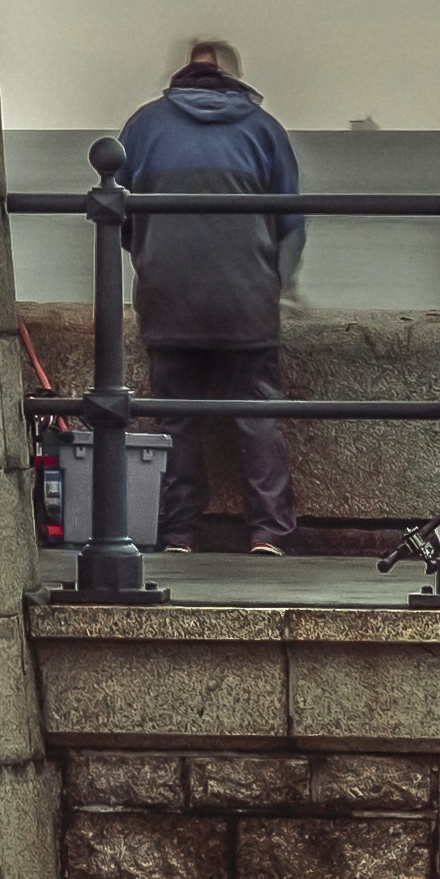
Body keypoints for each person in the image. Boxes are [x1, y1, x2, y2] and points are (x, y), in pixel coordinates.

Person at [103, 36, 307, 555]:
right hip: (247, 302)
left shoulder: (143, 126)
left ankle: (177, 533)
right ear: (234, 81)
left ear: (180, 78)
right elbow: (291, 223)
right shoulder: (264, 130)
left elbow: (118, 218)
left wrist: (152, 262)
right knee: (257, 413)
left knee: (175, 416)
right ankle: (270, 532)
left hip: (168, 297)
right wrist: (273, 285)